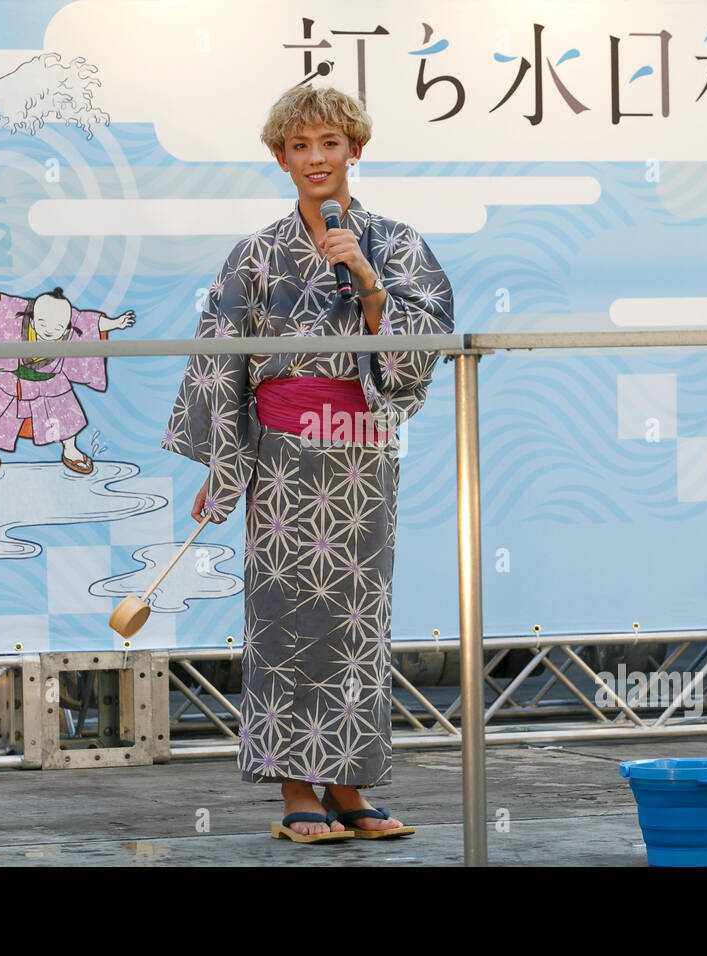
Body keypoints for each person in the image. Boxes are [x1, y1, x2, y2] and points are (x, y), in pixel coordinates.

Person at [161, 84, 454, 841]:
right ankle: (298, 790)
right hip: (284, 459)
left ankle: (352, 788)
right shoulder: (255, 255)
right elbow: (218, 360)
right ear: (282, 158)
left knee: (359, 620)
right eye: (300, 147)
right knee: (287, 622)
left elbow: (419, 356)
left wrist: (368, 281)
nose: (316, 159)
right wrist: (223, 463)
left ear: (356, 150)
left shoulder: (398, 244)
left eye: (330, 144)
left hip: (360, 456)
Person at [0, 284, 135, 481]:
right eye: (43, 324)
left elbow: (90, 323)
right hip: (14, 382)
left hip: (51, 385)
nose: (49, 330)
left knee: (66, 418)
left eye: (57, 328)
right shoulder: (19, 318)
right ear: (33, 320)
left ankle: (70, 450)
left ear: (66, 328)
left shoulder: (71, 328)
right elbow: (6, 307)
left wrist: (116, 323)